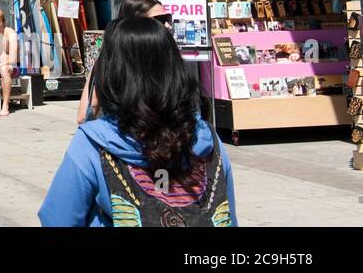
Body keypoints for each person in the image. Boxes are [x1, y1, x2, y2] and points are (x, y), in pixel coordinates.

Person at [38, 15, 237, 227]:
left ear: (114, 72)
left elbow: (58, 219)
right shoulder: (207, 139)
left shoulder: (94, 143)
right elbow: (228, 217)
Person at [76, 0, 171, 125]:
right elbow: (84, 115)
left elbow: (85, 116)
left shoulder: (106, 62)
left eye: (168, 18)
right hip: (158, 139)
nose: (167, 25)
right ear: (136, 24)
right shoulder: (166, 61)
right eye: (160, 20)